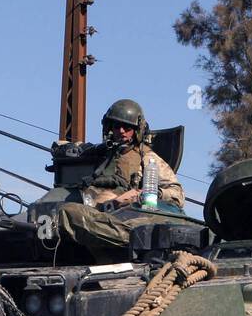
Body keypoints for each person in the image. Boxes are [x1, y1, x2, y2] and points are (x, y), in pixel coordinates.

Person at [55, 99, 184, 256]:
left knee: (68, 212)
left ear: (138, 130)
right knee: (62, 211)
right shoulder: (101, 155)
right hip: (97, 216)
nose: (121, 131)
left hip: (129, 219)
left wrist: (142, 194)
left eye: (127, 127)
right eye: (117, 126)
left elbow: (177, 194)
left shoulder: (148, 159)